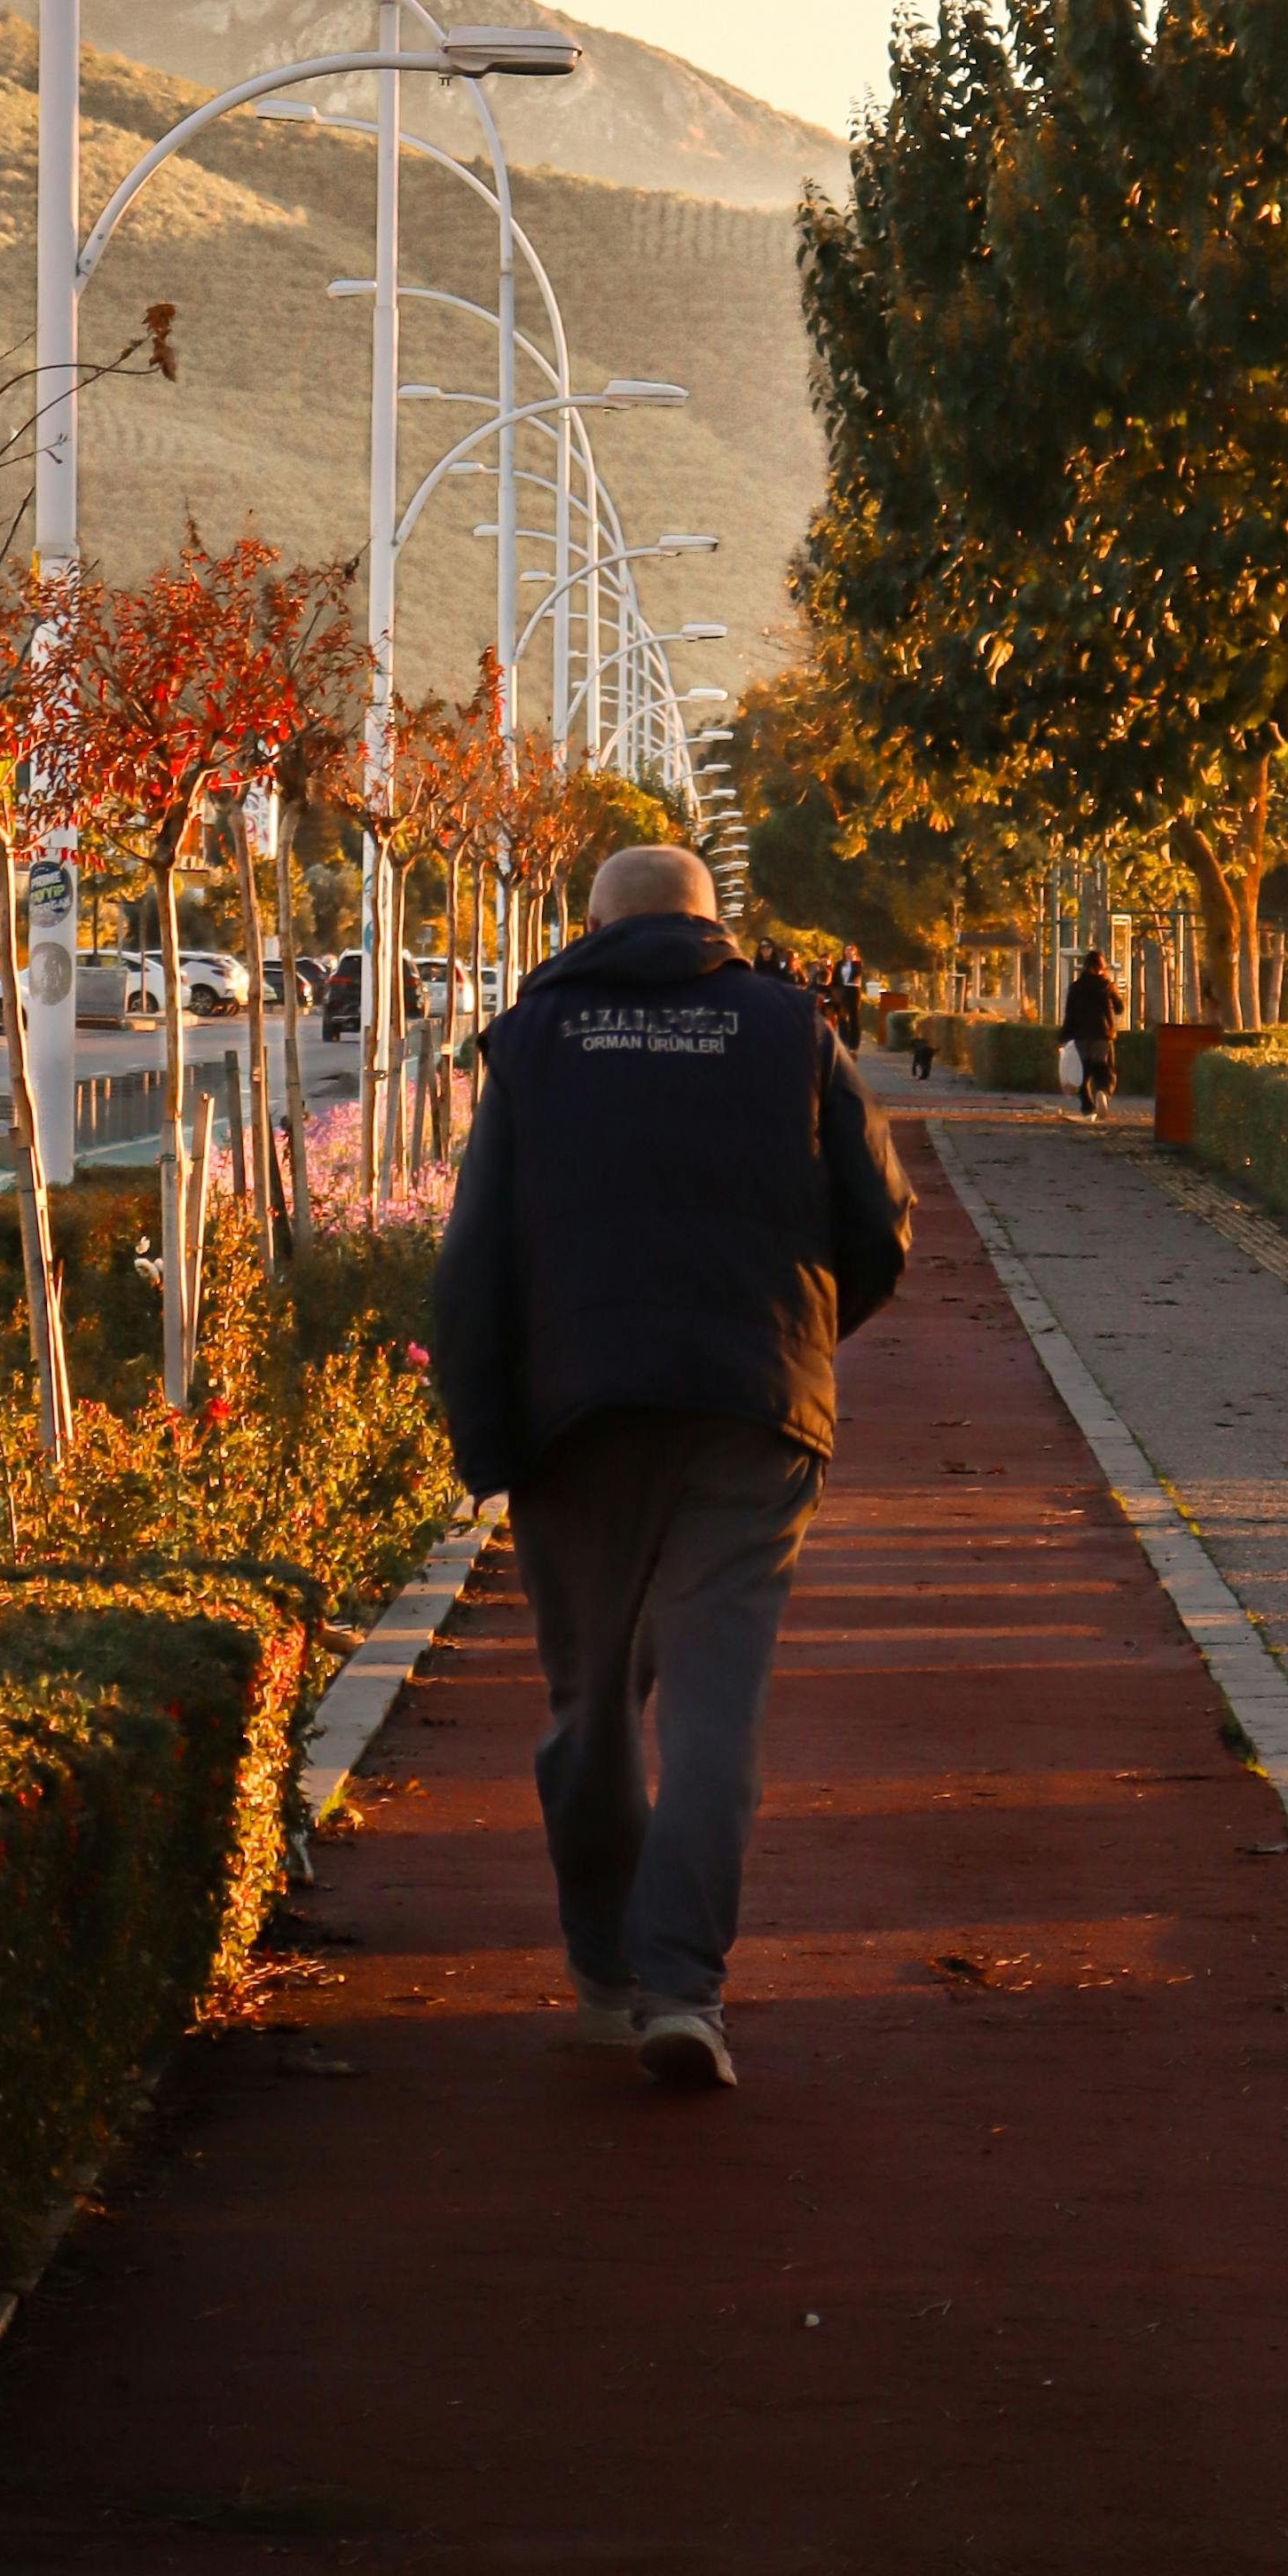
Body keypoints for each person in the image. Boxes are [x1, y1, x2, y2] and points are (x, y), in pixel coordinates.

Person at [433, 840, 913, 2093]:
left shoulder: (533, 1040)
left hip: (576, 1418)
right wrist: (796, 1337)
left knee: (590, 1708)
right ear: (712, 921)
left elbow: (475, 1252)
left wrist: (486, 1434)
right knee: (715, 1710)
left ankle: (603, 1973)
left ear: (593, 923)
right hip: (751, 1415)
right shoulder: (791, 1025)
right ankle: (684, 1989)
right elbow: (880, 1225)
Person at [1061, 945, 1122, 1119]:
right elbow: (1120, 1008)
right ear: (1102, 967)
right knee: (1106, 1071)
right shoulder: (1108, 986)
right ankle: (1103, 1092)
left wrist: (1064, 1037)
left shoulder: (1076, 987)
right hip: (1103, 1037)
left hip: (1081, 1038)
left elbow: (1069, 1014)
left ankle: (1088, 1108)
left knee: (1081, 1074)